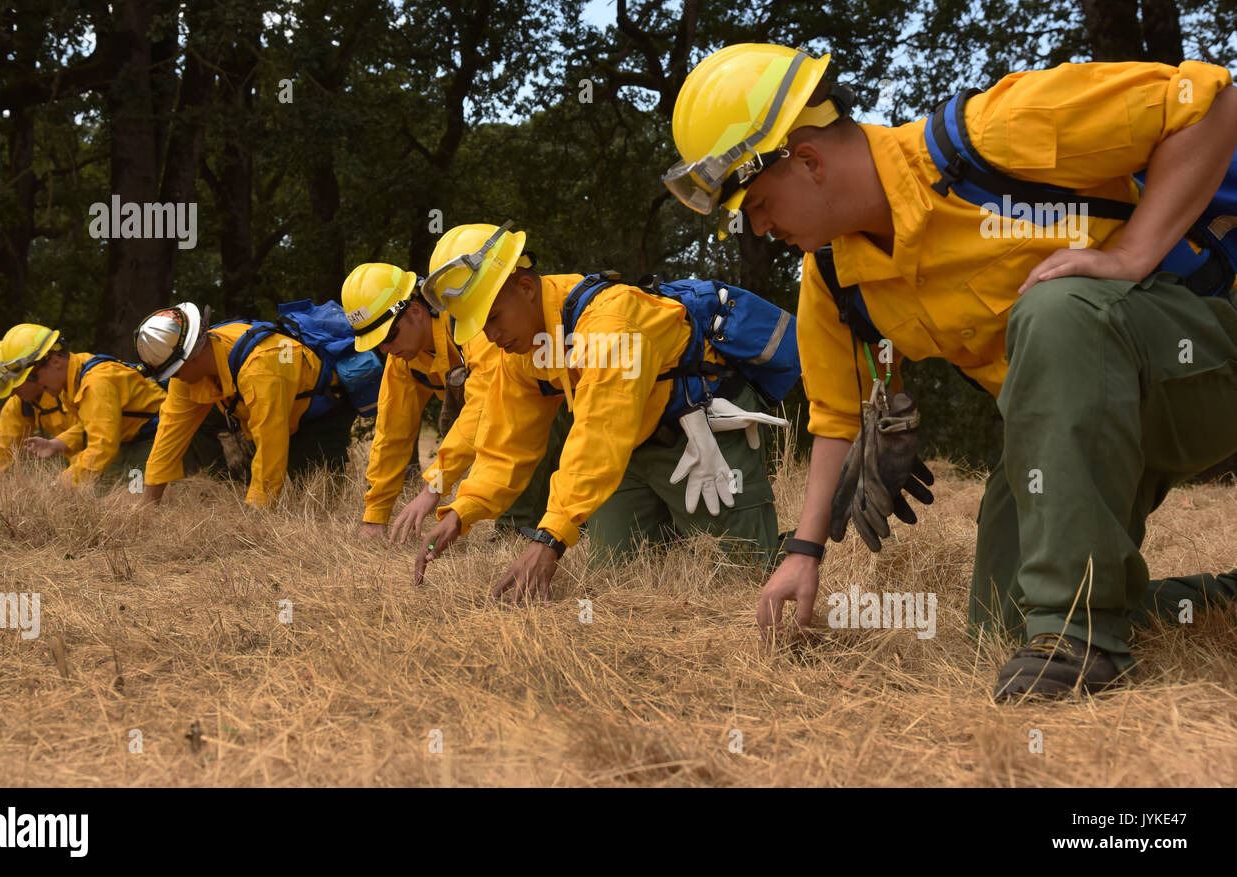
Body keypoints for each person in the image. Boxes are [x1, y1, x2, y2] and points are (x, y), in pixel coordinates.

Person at [663, 42, 1237, 700]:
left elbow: (1212, 103)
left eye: (758, 203)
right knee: (1004, 620)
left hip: (1204, 369)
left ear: (809, 160)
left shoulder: (994, 133)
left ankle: (1080, 644)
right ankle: (1207, 602)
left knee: (1053, 310)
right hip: (1079, 432)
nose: (759, 228)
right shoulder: (833, 278)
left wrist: (1133, 254)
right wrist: (804, 553)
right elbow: (837, 419)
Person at [415, 221, 786, 600]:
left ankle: (780, 545)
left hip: (701, 432)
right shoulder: (521, 352)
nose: (490, 337)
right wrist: (463, 511)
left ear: (525, 288)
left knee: (746, 572)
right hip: (626, 455)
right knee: (616, 579)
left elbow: (599, 431)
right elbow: (507, 444)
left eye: (492, 318)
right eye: (478, 327)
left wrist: (550, 538)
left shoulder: (611, 323)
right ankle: (676, 525)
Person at [340, 262, 569, 543]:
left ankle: (519, 529)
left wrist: (433, 488)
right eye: (376, 344)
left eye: (388, 336)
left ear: (414, 310)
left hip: (551, 402)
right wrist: (375, 516)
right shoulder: (401, 360)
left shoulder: (472, 325)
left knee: (519, 428)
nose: (385, 349)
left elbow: (485, 409)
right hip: (500, 410)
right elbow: (392, 435)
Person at [134, 303, 354, 508]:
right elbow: (169, 433)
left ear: (192, 354)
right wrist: (148, 504)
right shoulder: (187, 374)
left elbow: (270, 446)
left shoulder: (259, 368)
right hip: (266, 410)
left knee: (317, 501)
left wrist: (254, 517)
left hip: (319, 414)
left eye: (175, 372)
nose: (174, 378)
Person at [0, 323, 164, 487]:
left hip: (157, 435)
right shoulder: (70, 381)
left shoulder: (94, 383)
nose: (36, 384)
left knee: (136, 499)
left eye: (31, 377)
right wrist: (57, 444)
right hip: (131, 440)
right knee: (110, 495)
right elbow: (93, 424)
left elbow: (101, 447)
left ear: (55, 361)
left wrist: (61, 484)